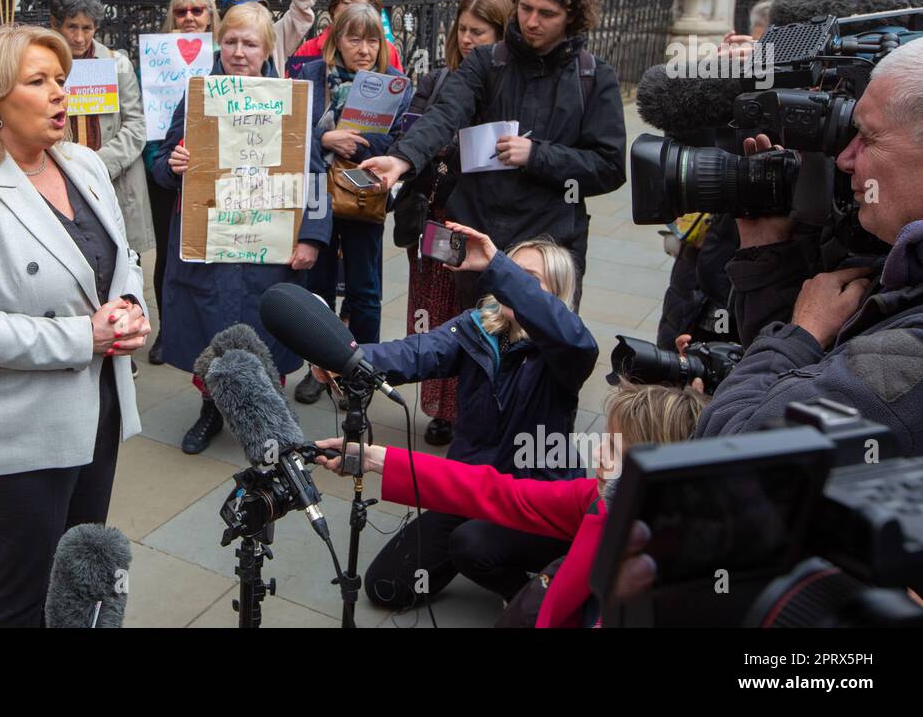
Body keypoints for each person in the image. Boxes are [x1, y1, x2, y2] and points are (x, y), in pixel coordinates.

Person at [0, 24, 148, 627]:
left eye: (60, 80)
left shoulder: (86, 165)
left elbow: (125, 259)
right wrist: (86, 337)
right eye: (38, 81)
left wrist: (130, 306)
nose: (59, 94)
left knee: (83, 563)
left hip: (97, 406)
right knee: (24, 584)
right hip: (14, 424)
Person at [311, 223, 595, 609]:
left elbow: (575, 339)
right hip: (469, 487)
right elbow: (413, 352)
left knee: (472, 546)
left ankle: (533, 597)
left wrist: (497, 264)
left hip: (535, 500)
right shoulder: (477, 328)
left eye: (528, 281)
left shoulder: (566, 352)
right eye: (512, 274)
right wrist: (345, 360)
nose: (513, 287)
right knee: (387, 586)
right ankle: (490, 549)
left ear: (556, 294)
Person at [315, 378, 710, 627]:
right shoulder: (599, 499)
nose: (599, 452)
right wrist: (376, 458)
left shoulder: (678, 565)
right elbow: (496, 492)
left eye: (613, 445)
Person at [361, 0, 627, 309]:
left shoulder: (595, 77)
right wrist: (400, 160)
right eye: (526, 8)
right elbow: (444, 114)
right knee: (475, 349)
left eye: (547, 14)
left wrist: (536, 155)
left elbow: (609, 166)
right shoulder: (487, 62)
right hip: (479, 233)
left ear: (571, 17)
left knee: (539, 352)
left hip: (549, 243)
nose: (532, 21)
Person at [695, 40, 923, 454]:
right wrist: (769, 256)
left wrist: (800, 336)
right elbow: (794, 384)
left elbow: (729, 453)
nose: (845, 159)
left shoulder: (910, 353)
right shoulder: (903, 264)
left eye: (868, 139)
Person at [153, 2, 331, 454]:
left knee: (269, 329)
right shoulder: (198, 95)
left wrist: (312, 236)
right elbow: (161, 166)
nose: (238, 51)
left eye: (249, 43)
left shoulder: (290, 99)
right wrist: (173, 165)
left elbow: (313, 173)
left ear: (267, 47)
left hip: (270, 248)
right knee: (212, 328)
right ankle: (212, 408)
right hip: (212, 242)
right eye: (230, 41)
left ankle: (269, 417)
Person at [395, 0, 513, 443]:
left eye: (478, 32)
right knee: (434, 309)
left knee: (479, 311)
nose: (468, 40)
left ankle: (476, 404)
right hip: (437, 213)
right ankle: (442, 408)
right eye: (462, 30)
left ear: (501, 34)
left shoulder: (507, 88)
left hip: (484, 218)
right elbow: (417, 130)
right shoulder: (438, 81)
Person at [293, 2, 412, 405]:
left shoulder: (394, 83)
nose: (363, 48)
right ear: (336, 41)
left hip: (365, 193)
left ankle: (362, 374)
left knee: (364, 289)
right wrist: (326, 138)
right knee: (319, 286)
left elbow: (397, 143)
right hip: (319, 193)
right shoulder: (310, 76)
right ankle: (319, 369)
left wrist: (352, 140)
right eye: (354, 38)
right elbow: (290, 131)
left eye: (372, 39)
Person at [48, 0, 154, 298]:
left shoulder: (116, 63)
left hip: (111, 180)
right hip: (60, 177)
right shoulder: (46, 64)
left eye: (87, 28)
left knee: (118, 263)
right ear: (56, 24)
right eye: (71, 27)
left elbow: (136, 125)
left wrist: (97, 165)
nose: (79, 37)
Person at [144, 0, 221, 367]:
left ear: (211, 17)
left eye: (197, 10)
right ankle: (168, 330)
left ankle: (208, 327)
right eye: (180, 11)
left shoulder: (226, 54)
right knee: (167, 254)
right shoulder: (153, 56)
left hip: (212, 171)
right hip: (165, 169)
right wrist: (162, 162)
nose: (189, 18)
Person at [290, 0, 405, 72]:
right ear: (334, 8)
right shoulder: (310, 49)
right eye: (347, 3)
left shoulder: (388, 51)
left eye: (361, 7)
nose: (364, 51)